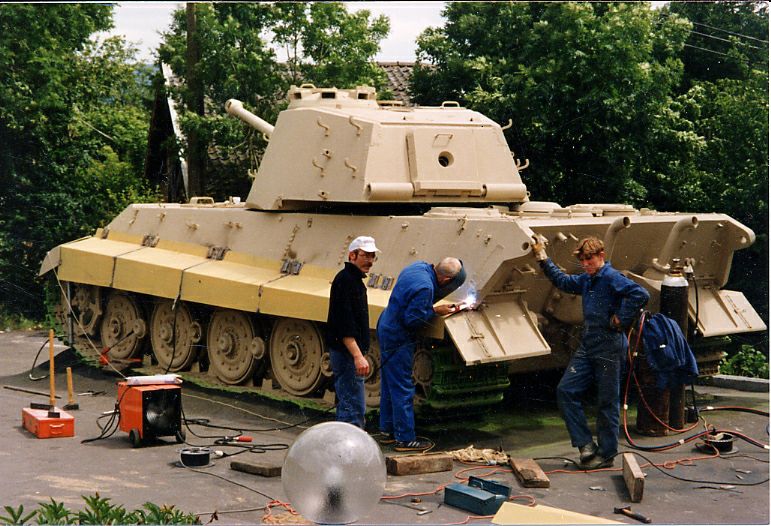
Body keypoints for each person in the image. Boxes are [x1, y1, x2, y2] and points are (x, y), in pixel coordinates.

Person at [531, 235, 649, 469]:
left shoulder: (611, 277)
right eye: (583, 261)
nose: (586, 264)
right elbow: (563, 281)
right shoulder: (588, 280)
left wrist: (620, 319)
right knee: (566, 390)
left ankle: (606, 454)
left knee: (607, 401)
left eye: (590, 259)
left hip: (609, 343)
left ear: (601, 256)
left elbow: (641, 294)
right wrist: (543, 258)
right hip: (589, 343)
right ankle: (585, 444)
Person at [376, 257, 465, 451]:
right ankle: (405, 439)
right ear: (446, 280)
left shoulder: (418, 267)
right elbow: (412, 320)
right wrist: (435, 311)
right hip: (398, 337)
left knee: (391, 384)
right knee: (402, 387)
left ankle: (388, 431)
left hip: (387, 324)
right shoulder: (426, 288)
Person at [326, 236, 379, 428]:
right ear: (352, 255)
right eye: (365, 255)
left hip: (348, 353)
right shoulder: (346, 281)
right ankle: (350, 448)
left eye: (373, 256)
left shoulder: (353, 280)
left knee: (348, 402)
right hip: (347, 353)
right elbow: (344, 325)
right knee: (353, 407)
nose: (370, 261)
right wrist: (357, 356)